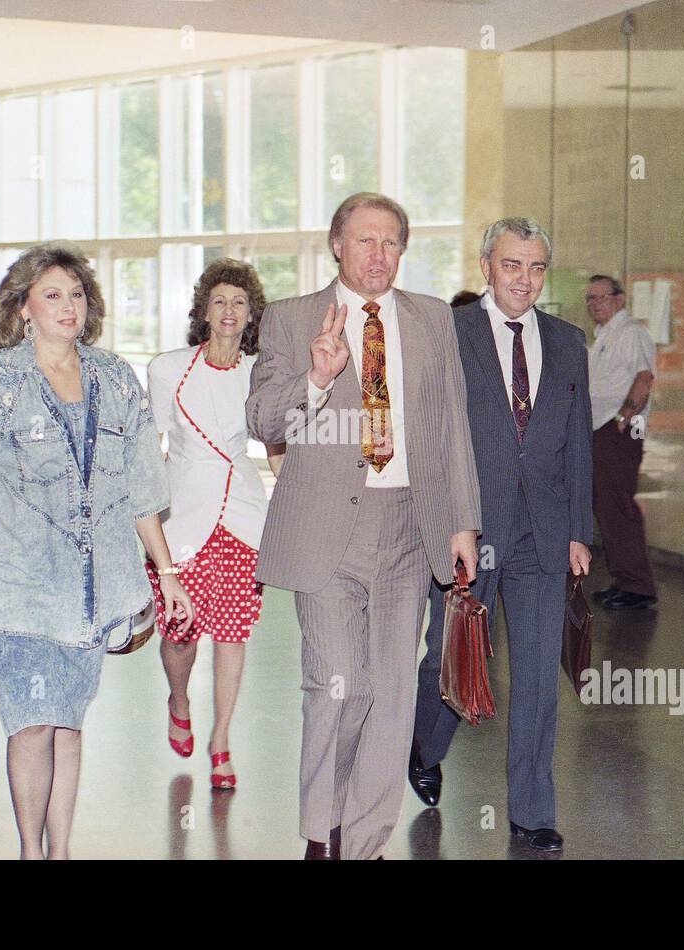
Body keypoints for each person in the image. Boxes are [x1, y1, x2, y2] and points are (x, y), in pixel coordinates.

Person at [0, 241, 193, 859]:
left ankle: (61, 851)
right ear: (22, 309)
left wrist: (166, 570)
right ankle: (28, 850)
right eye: (52, 295)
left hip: (91, 588)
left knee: (68, 721)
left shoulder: (114, 377)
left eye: (76, 294)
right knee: (32, 718)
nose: (68, 306)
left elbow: (141, 489)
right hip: (14, 583)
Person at [246, 192, 481, 860]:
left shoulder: (433, 320)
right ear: (337, 246)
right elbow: (265, 421)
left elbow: (452, 426)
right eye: (365, 241)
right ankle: (323, 832)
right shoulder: (293, 320)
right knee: (337, 686)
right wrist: (316, 380)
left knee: (391, 690)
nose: (379, 255)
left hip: (411, 525)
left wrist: (463, 523)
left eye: (391, 243)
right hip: (327, 531)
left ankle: (367, 842)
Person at [408, 218, 593, 852]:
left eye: (536, 267)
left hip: (543, 533)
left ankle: (533, 811)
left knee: (540, 676)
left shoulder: (568, 342)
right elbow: (429, 436)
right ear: (486, 265)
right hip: (470, 526)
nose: (524, 279)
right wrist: (439, 518)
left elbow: (577, 446)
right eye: (512, 264)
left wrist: (579, 531)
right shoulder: (449, 335)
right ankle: (425, 744)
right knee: (453, 660)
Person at [145, 259, 284, 791]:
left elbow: (276, 449)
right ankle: (179, 698)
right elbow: (149, 450)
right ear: (204, 309)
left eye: (240, 302)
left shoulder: (259, 372)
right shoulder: (168, 368)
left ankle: (221, 738)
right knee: (179, 635)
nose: (229, 311)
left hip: (243, 516)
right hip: (180, 515)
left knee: (232, 633)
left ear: (252, 315)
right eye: (220, 300)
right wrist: (144, 522)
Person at [585, 275, 658, 609]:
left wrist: (622, 419)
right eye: (590, 299)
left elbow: (644, 380)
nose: (593, 304)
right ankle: (624, 579)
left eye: (600, 297)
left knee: (618, 505)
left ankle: (637, 585)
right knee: (607, 506)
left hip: (619, 431)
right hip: (602, 429)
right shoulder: (603, 337)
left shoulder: (631, 333)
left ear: (620, 298)